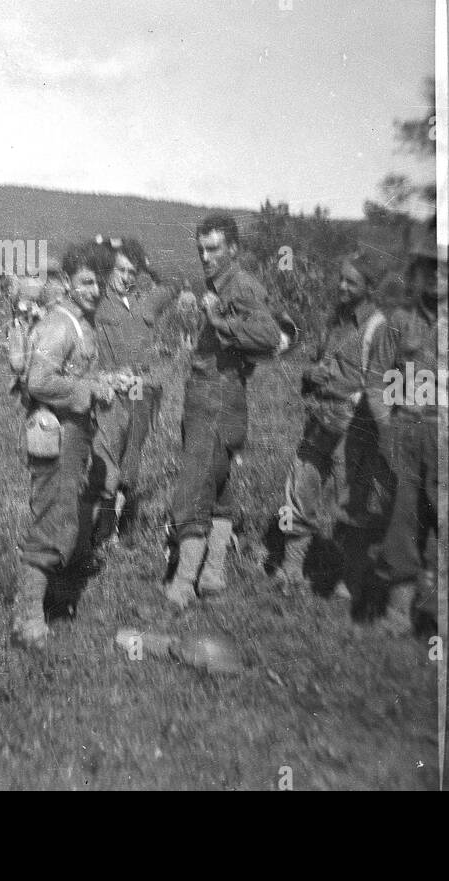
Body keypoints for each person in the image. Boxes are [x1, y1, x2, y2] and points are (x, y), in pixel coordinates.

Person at [163, 214, 283, 609]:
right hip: (217, 395)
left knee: (194, 487)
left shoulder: (242, 285)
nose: (204, 256)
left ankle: (183, 582)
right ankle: (213, 573)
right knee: (218, 484)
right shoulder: (220, 284)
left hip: (216, 396)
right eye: (200, 249)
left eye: (212, 248)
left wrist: (217, 320)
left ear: (232, 248)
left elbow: (269, 336)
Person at [12, 241, 118, 648]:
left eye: (99, 282)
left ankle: (50, 602)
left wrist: (103, 384)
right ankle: (27, 621)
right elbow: (38, 381)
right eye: (86, 282)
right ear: (69, 283)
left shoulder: (80, 321)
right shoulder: (61, 324)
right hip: (55, 436)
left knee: (64, 519)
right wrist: (89, 390)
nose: (95, 290)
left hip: (72, 436)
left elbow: (71, 373)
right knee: (51, 523)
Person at [272, 250, 389, 595]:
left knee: (351, 502)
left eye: (351, 282)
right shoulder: (333, 320)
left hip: (354, 427)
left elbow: (383, 382)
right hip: (320, 419)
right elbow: (314, 363)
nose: (341, 285)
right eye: (340, 278)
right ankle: (292, 568)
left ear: (369, 287)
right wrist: (312, 374)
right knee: (301, 488)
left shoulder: (378, 328)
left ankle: (348, 578)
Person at [367, 233, 439, 637]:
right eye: (431, 267)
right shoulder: (398, 323)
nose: (437, 277)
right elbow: (377, 381)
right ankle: (397, 610)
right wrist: (387, 428)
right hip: (408, 430)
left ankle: (439, 610)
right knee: (404, 519)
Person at [88, 236, 178, 549]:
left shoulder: (146, 302)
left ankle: (111, 529)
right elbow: (86, 262)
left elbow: (172, 284)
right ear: (109, 271)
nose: (126, 277)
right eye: (120, 270)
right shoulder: (99, 302)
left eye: (131, 271)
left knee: (131, 458)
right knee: (107, 455)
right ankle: (103, 528)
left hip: (144, 389)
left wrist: (145, 260)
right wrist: (112, 244)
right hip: (112, 389)